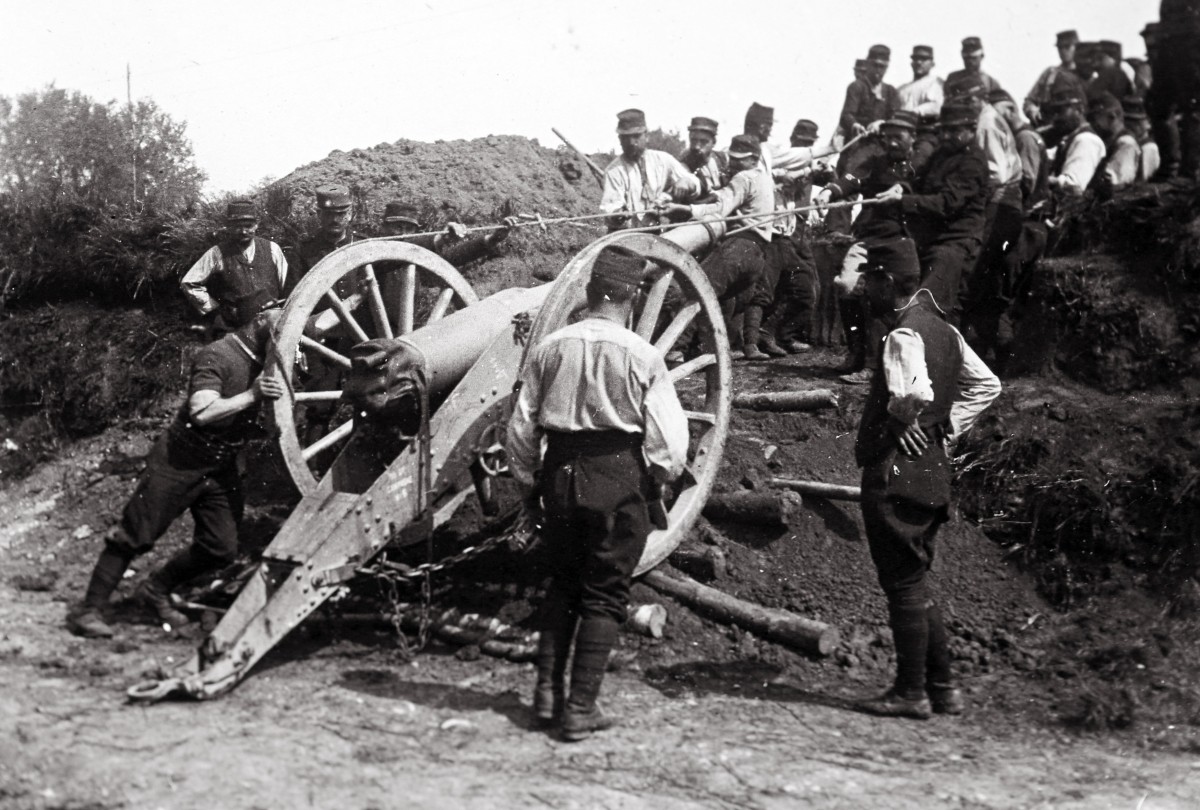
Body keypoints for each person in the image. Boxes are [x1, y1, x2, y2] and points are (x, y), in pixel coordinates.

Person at [506, 245, 688, 741]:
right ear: (631, 297)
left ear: (588, 293)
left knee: (562, 585)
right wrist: (658, 478)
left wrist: (529, 488)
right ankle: (580, 708)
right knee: (605, 594)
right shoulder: (643, 355)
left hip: (560, 477)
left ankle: (546, 697)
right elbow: (670, 444)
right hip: (619, 479)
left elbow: (520, 431)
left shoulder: (549, 349)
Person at [67, 303, 287, 638]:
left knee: (221, 547)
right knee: (135, 535)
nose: (288, 316)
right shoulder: (217, 356)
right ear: (259, 316)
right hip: (179, 460)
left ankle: (155, 590)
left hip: (220, 466)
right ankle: (90, 610)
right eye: (280, 309)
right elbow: (202, 412)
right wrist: (252, 396)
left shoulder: (267, 353)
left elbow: (320, 322)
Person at [852, 238, 1001, 720]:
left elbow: (911, 391)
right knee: (915, 582)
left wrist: (904, 419)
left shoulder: (903, 334)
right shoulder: (947, 331)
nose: (865, 287)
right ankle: (943, 688)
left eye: (871, 278)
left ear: (890, 284)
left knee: (902, 586)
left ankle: (910, 693)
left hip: (896, 468)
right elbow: (987, 385)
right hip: (933, 469)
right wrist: (947, 427)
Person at [818, 111, 918, 383]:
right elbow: (853, 180)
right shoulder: (876, 162)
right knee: (846, 287)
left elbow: (917, 186)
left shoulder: (918, 164)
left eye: (899, 137)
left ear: (913, 138)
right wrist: (831, 190)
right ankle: (856, 353)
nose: (893, 143)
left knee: (882, 299)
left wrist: (902, 191)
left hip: (900, 242)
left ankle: (873, 366)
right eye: (889, 137)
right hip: (868, 237)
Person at [662, 134, 779, 359]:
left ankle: (676, 349)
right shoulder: (764, 177)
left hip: (740, 247)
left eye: (739, 159)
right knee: (722, 299)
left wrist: (683, 209)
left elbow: (720, 209)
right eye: (731, 158)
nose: (733, 163)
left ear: (753, 159)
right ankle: (711, 351)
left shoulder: (743, 178)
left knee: (696, 288)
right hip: (757, 255)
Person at [886, 101, 990, 327]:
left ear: (971, 130)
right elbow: (918, 178)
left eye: (954, 130)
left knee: (931, 306)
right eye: (943, 130)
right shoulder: (942, 153)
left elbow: (947, 203)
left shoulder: (974, 161)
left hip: (956, 243)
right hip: (931, 241)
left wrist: (903, 201)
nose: (945, 136)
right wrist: (902, 187)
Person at [766, 118, 835, 354]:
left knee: (810, 284)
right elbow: (779, 175)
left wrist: (826, 171)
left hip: (801, 228)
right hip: (783, 228)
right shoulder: (786, 159)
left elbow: (828, 178)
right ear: (793, 139)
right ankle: (773, 334)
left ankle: (785, 334)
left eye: (808, 143)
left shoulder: (810, 163)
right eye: (801, 141)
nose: (803, 145)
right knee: (791, 285)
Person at [180, 200, 288, 335]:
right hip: (236, 327)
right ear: (229, 227)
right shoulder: (217, 253)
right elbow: (189, 283)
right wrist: (214, 311)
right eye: (237, 227)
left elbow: (286, 284)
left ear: (256, 225)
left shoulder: (272, 249)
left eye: (248, 226)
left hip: (273, 323)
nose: (243, 231)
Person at [599, 109, 700, 231]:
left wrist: (686, 182)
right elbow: (610, 207)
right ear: (619, 139)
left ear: (646, 136)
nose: (631, 143)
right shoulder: (613, 171)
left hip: (654, 233)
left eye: (636, 136)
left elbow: (694, 181)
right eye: (625, 138)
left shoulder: (662, 160)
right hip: (624, 236)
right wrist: (618, 214)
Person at [379, 200, 516, 267]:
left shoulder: (415, 256)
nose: (403, 234)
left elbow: (450, 258)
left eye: (409, 229)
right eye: (398, 227)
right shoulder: (370, 250)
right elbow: (392, 257)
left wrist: (492, 239)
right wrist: (441, 238)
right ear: (382, 227)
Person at [285, 184, 356, 295]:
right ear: (319, 215)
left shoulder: (362, 245)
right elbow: (293, 295)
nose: (334, 220)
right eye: (328, 214)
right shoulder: (303, 251)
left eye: (340, 214)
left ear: (350, 214)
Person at [992, 91, 1049, 209]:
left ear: (1011, 110)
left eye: (997, 116)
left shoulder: (1024, 137)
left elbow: (1027, 183)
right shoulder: (1020, 136)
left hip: (1028, 212)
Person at [1046, 88, 1107, 197]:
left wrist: (1041, 182)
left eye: (1060, 111)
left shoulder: (1086, 140)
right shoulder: (1070, 138)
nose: (1056, 117)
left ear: (1079, 109)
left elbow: (1073, 186)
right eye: (1053, 113)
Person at [1024, 30, 1089, 126]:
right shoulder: (1050, 73)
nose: (1063, 51)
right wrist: (1032, 111)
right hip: (1051, 126)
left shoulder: (1085, 75)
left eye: (1067, 47)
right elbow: (1030, 100)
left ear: (1077, 48)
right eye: (1060, 48)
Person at [898, 45, 945, 172]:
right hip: (901, 134)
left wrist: (914, 112)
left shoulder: (936, 82)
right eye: (916, 59)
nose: (919, 62)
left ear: (932, 63)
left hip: (925, 132)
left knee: (920, 157)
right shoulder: (902, 88)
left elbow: (936, 107)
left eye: (924, 59)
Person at [1089, 92, 1142, 193]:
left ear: (1112, 117)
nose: (1092, 123)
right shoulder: (1110, 141)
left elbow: (1114, 182)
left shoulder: (1126, 143)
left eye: (1095, 117)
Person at [679, 116, 728, 197]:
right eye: (693, 140)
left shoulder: (723, 159)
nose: (697, 147)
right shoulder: (684, 167)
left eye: (703, 142)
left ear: (714, 143)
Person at [1122, 96, 1162, 181]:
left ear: (1149, 123)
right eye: (1127, 121)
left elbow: (1145, 179)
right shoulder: (1126, 142)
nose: (1131, 126)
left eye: (1137, 122)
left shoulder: (1148, 147)